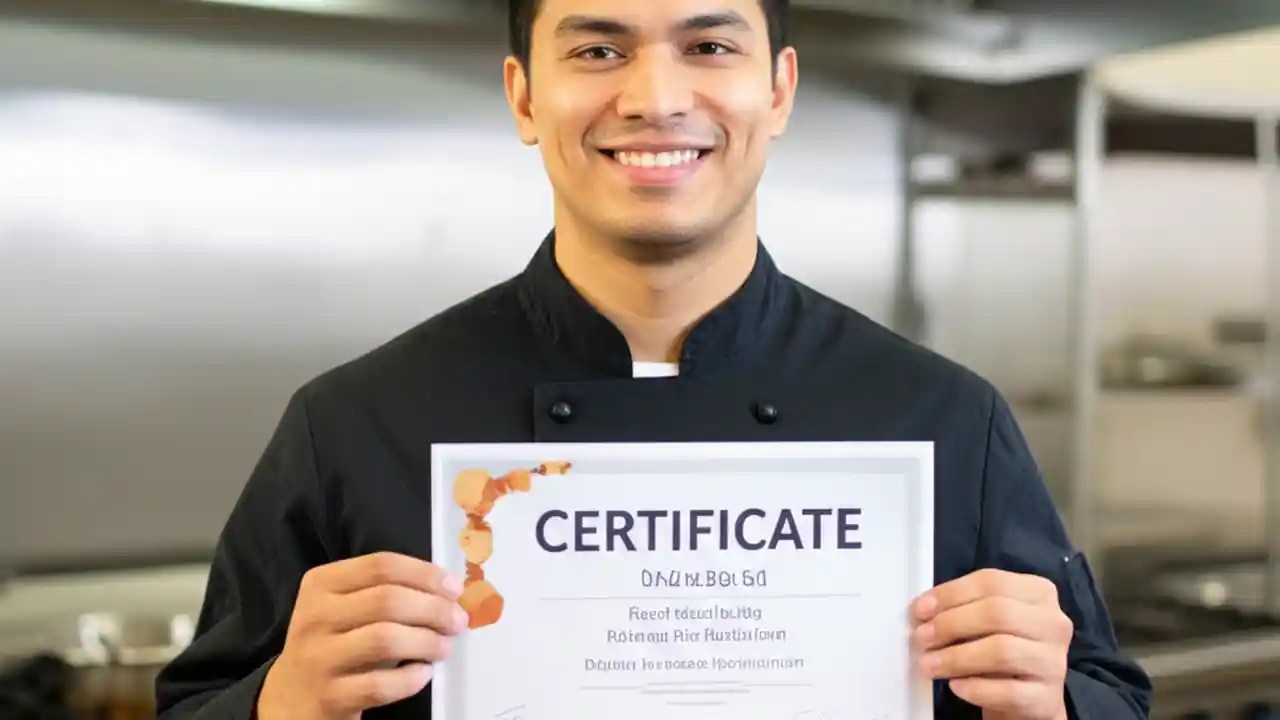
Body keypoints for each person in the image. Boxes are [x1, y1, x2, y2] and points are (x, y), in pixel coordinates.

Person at [154, 0, 1154, 717]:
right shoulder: (353, 423)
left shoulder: (943, 418)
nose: (653, 96)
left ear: (777, 90)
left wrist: (1053, 703)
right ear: (521, 96)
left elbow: (1111, 696)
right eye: (595, 48)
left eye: (708, 43)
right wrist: (278, 704)